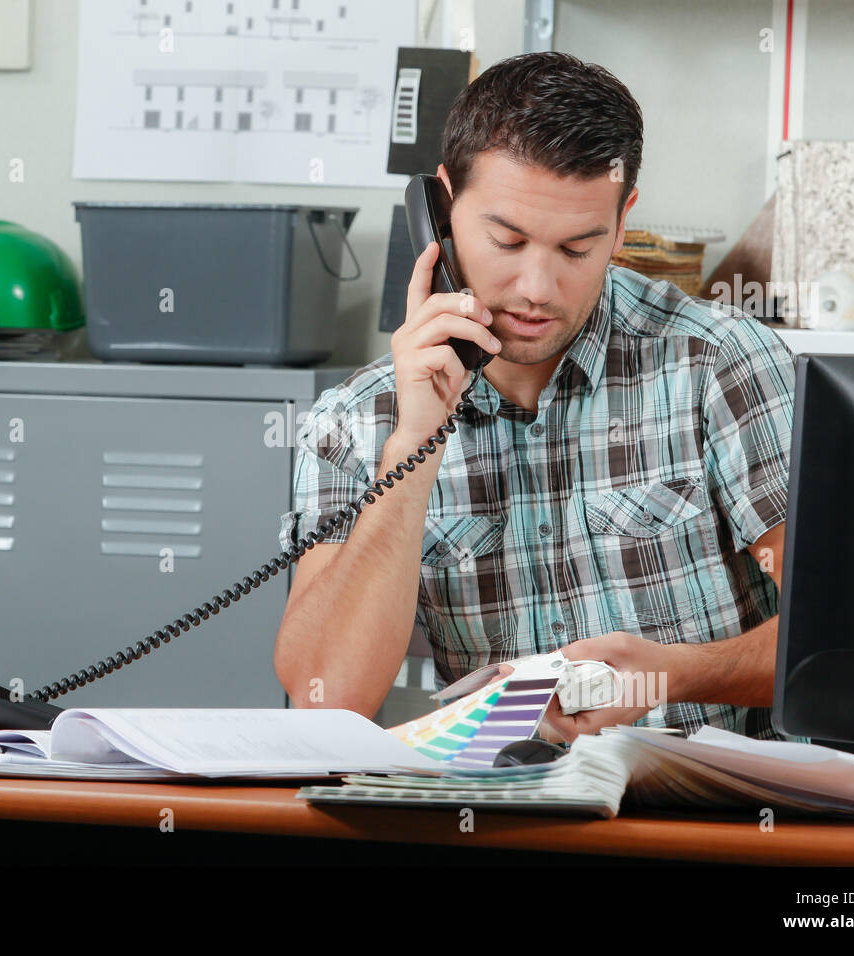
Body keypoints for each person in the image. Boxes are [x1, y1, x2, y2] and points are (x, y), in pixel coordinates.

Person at [273, 51, 801, 744]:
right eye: (507, 239)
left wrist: (675, 674)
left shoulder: (720, 363)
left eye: (578, 248)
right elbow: (326, 697)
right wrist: (414, 448)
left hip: (707, 833)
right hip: (492, 822)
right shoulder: (355, 419)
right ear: (440, 209)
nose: (537, 288)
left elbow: (840, 638)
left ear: (621, 221)